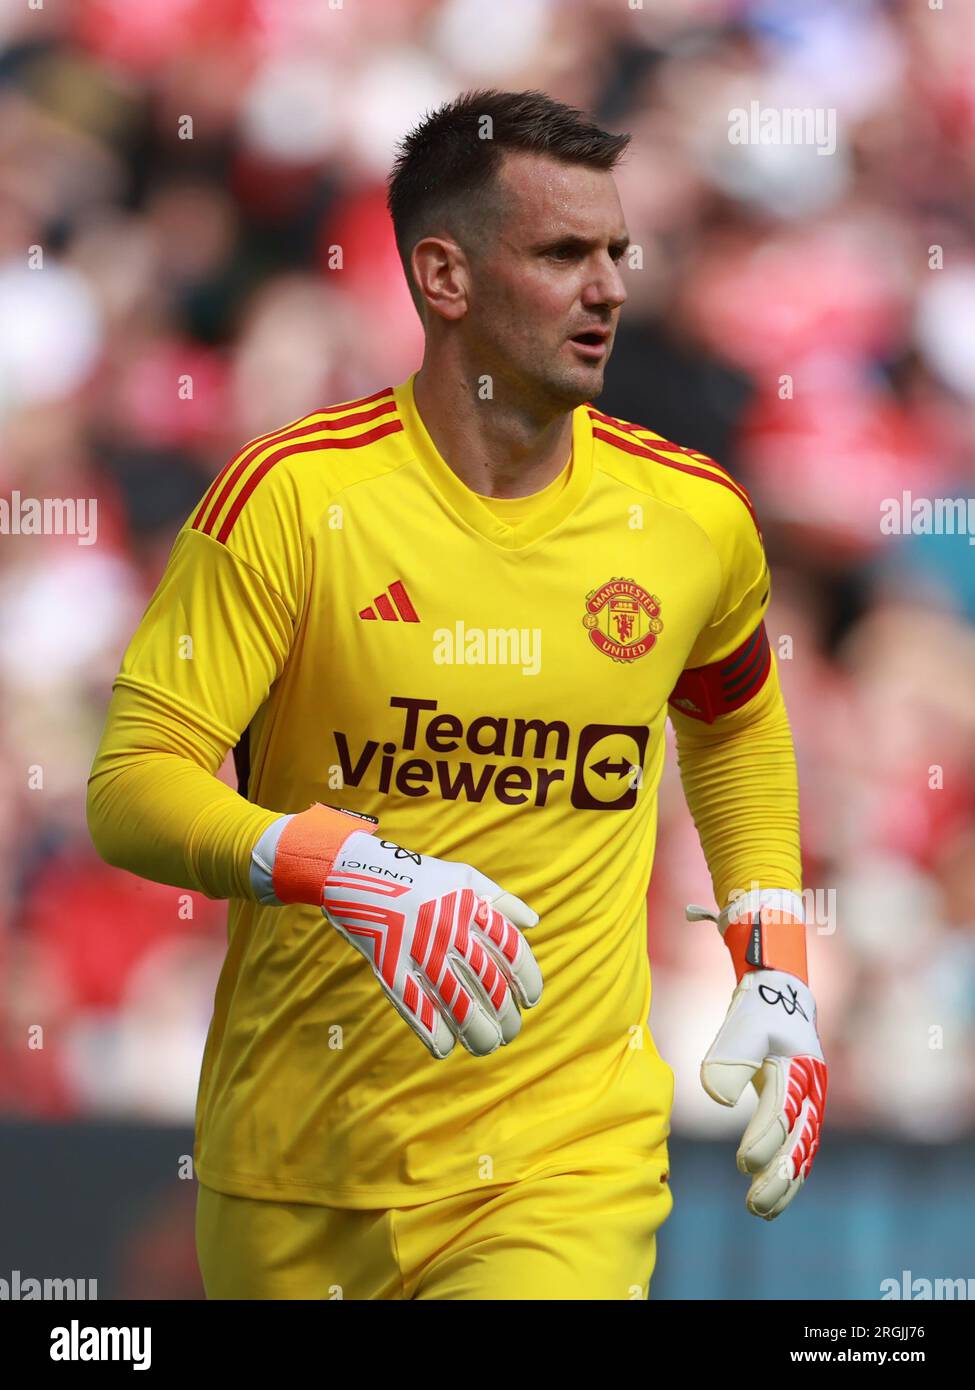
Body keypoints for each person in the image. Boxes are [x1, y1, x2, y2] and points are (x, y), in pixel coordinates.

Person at [87, 87, 826, 1301]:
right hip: (294, 1162)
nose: (610, 289)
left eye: (617, 253)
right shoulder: (292, 500)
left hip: (563, 1165)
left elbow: (736, 727)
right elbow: (129, 787)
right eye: (562, 254)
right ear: (445, 277)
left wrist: (775, 964)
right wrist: (347, 867)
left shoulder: (693, 519)